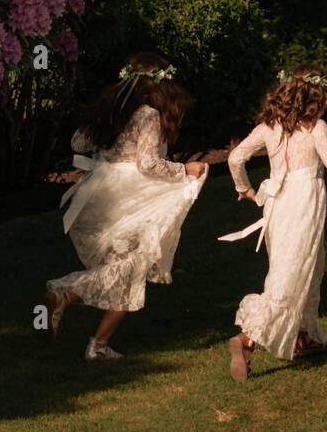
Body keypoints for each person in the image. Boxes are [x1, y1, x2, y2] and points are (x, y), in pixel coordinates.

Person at [222, 64, 327, 382]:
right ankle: (247, 340)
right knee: (291, 273)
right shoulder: (315, 127)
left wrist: (245, 189)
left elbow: (235, 158)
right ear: (314, 95)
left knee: (310, 265)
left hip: (277, 206)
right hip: (304, 203)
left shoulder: (268, 127)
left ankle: (306, 335)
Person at [44, 52, 206, 361]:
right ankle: (65, 294)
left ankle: (99, 346)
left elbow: (78, 144)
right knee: (131, 269)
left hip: (99, 194)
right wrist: (185, 169)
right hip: (132, 198)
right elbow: (147, 163)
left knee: (125, 270)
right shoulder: (148, 115)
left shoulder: (113, 110)